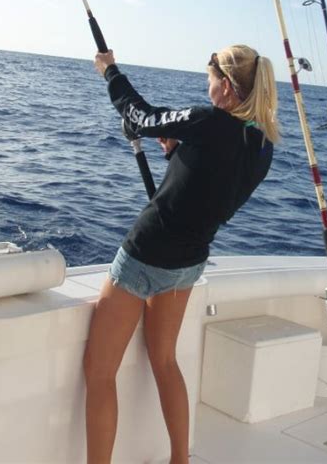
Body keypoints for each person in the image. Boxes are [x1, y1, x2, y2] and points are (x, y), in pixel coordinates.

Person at [84, 44, 280, 464]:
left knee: (99, 374)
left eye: (210, 79)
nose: (206, 86)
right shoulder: (261, 146)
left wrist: (110, 72)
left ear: (226, 87)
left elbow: (140, 116)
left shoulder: (206, 120)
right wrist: (177, 152)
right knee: (165, 361)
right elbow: (214, 193)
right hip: (188, 265)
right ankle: (180, 459)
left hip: (144, 254)